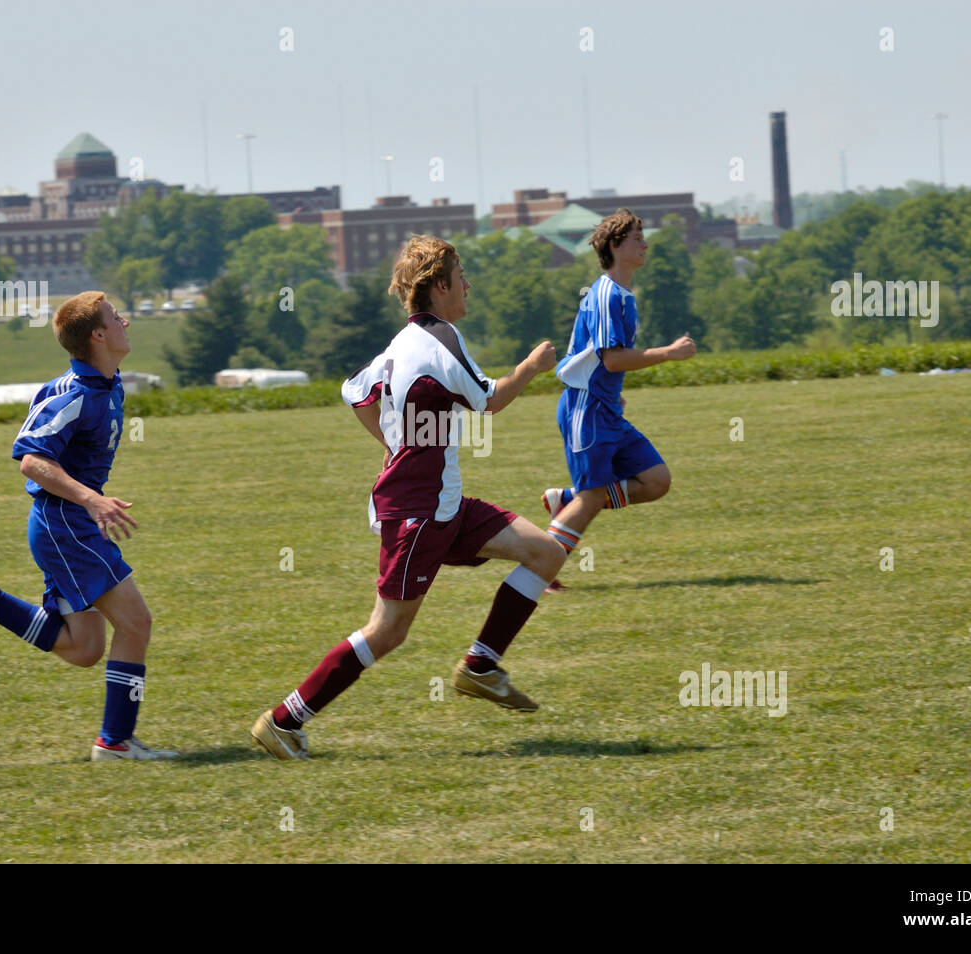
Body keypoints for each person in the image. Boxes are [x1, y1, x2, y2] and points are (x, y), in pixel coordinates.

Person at [251, 236, 565, 760]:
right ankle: (284, 721)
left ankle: (481, 666)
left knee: (547, 552)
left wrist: (393, 443)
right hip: (419, 513)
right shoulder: (441, 337)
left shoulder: (403, 342)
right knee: (388, 631)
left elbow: (355, 391)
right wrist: (531, 367)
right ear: (439, 286)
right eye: (461, 275)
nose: (467, 284)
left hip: (443, 503)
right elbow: (490, 401)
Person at [0, 291, 176, 761]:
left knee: (84, 648)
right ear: (98, 334)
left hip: (65, 525)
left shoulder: (103, 383)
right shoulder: (78, 394)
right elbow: (31, 461)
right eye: (116, 317)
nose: (126, 322)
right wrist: (92, 500)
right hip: (67, 526)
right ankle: (114, 744)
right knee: (136, 623)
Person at [542, 209, 697, 564]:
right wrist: (669, 353)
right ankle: (540, 566)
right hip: (587, 410)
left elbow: (601, 361)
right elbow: (612, 358)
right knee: (592, 497)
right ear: (615, 245)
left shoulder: (622, 294)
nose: (645, 244)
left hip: (604, 407)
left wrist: (614, 393)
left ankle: (568, 500)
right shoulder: (608, 296)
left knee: (657, 480)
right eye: (637, 238)